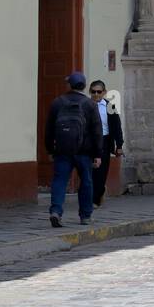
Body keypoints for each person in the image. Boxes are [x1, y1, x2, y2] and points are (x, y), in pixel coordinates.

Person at [44, 71, 103, 227]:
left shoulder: (57, 102)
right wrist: (98, 154)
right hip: (85, 151)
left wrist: (50, 149)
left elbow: (49, 129)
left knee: (59, 181)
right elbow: (97, 130)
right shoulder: (90, 104)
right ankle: (85, 216)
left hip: (62, 151)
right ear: (83, 86)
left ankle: (56, 211)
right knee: (86, 182)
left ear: (69, 85)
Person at [88, 80, 124, 208]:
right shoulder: (86, 105)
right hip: (89, 141)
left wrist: (119, 145)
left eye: (99, 92)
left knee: (101, 171)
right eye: (93, 92)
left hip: (104, 141)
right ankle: (94, 194)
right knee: (90, 171)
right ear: (90, 92)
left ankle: (95, 199)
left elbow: (116, 127)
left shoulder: (110, 107)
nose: (96, 94)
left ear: (104, 92)